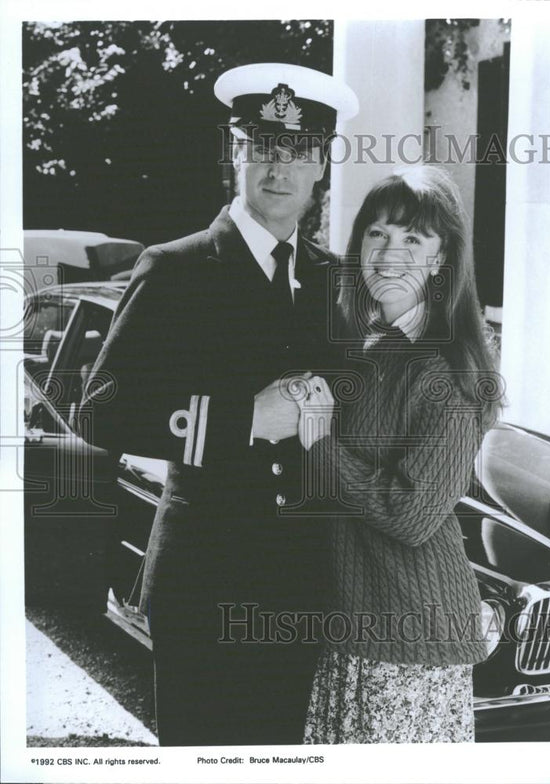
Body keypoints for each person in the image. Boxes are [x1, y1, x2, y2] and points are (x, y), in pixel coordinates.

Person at [78, 62, 358, 746]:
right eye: (263, 147)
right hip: (207, 578)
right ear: (237, 151)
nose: (278, 169)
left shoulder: (332, 279)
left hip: (302, 581)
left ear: (321, 164)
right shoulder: (175, 267)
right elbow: (101, 413)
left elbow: (357, 392)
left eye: (296, 153)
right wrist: (245, 418)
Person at [297, 165, 504, 744]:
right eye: (378, 233)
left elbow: (411, 515)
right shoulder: (364, 344)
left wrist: (320, 443)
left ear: (442, 261)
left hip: (412, 638)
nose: (390, 253)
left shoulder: (445, 369)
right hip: (355, 623)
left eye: (414, 238)